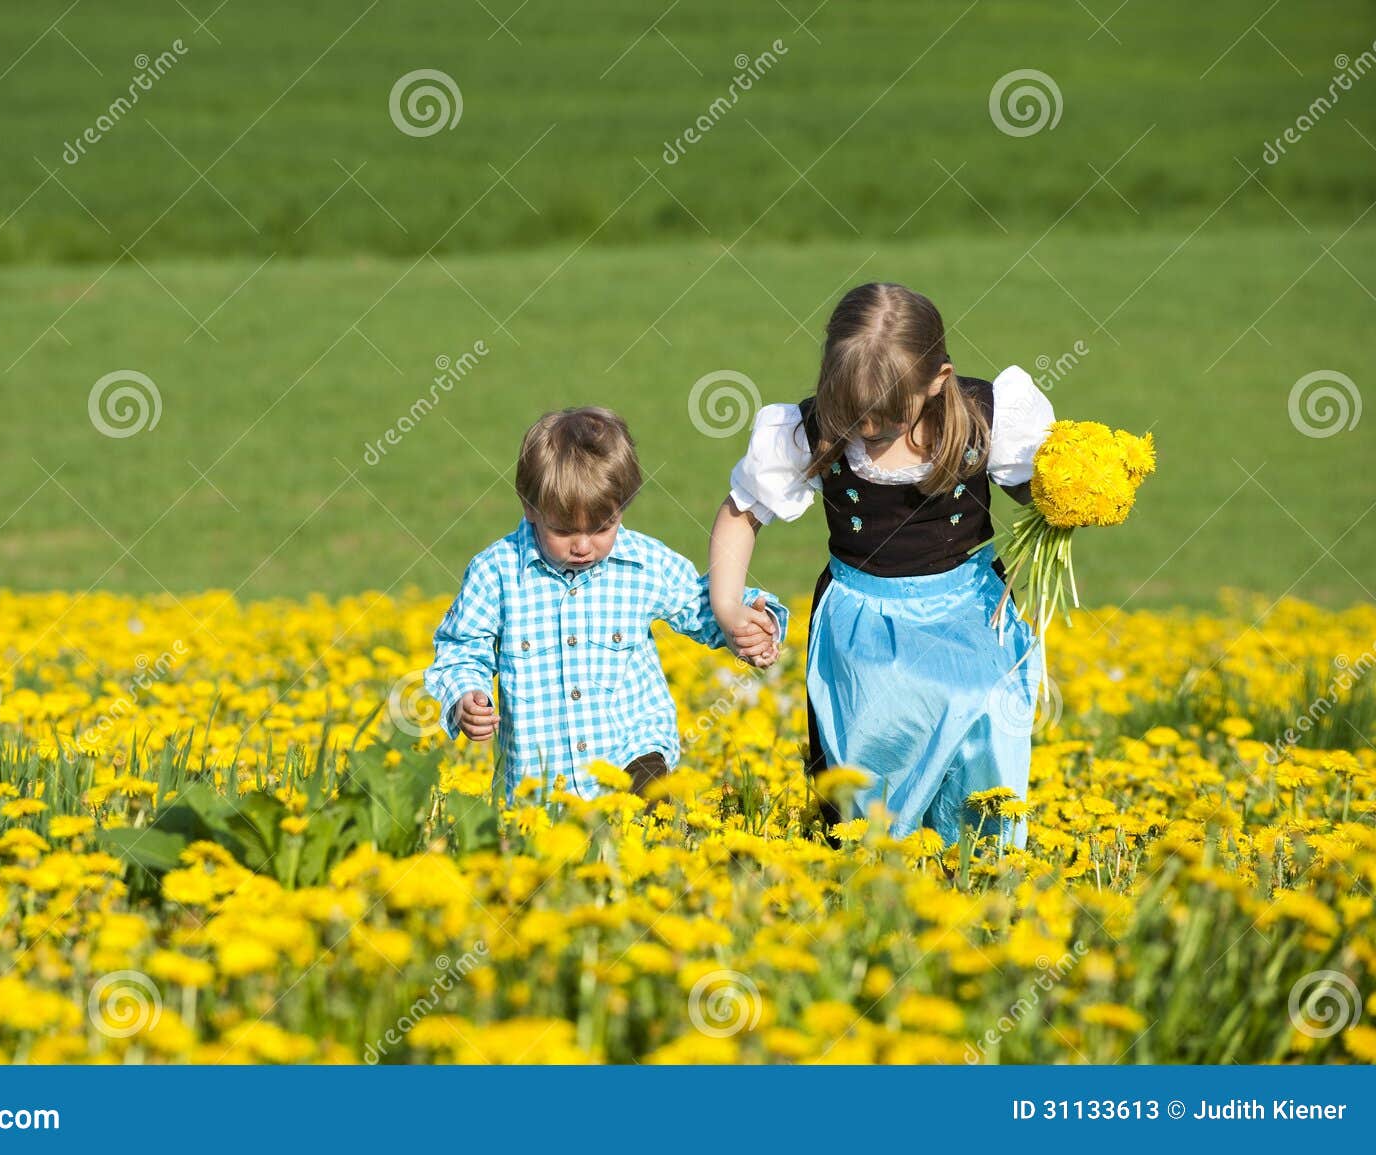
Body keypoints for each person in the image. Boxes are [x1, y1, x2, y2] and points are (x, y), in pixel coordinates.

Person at [706, 282, 1053, 850]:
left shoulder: (983, 416)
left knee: (985, 716)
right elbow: (742, 513)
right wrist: (727, 603)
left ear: (939, 381)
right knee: (869, 744)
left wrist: (1071, 492)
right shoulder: (809, 430)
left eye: (887, 416)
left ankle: (979, 868)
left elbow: (1032, 488)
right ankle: (868, 870)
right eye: (852, 413)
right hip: (861, 617)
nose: (867, 429)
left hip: (968, 608)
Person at [425, 406, 789, 803]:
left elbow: (703, 606)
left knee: (649, 824)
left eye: (601, 527)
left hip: (632, 753)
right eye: (563, 530)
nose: (582, 545)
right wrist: (466, 695)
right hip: (541, 787)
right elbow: (461, 649)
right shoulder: (496, 572)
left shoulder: (644, 563)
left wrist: (750, 621)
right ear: (530, 507)